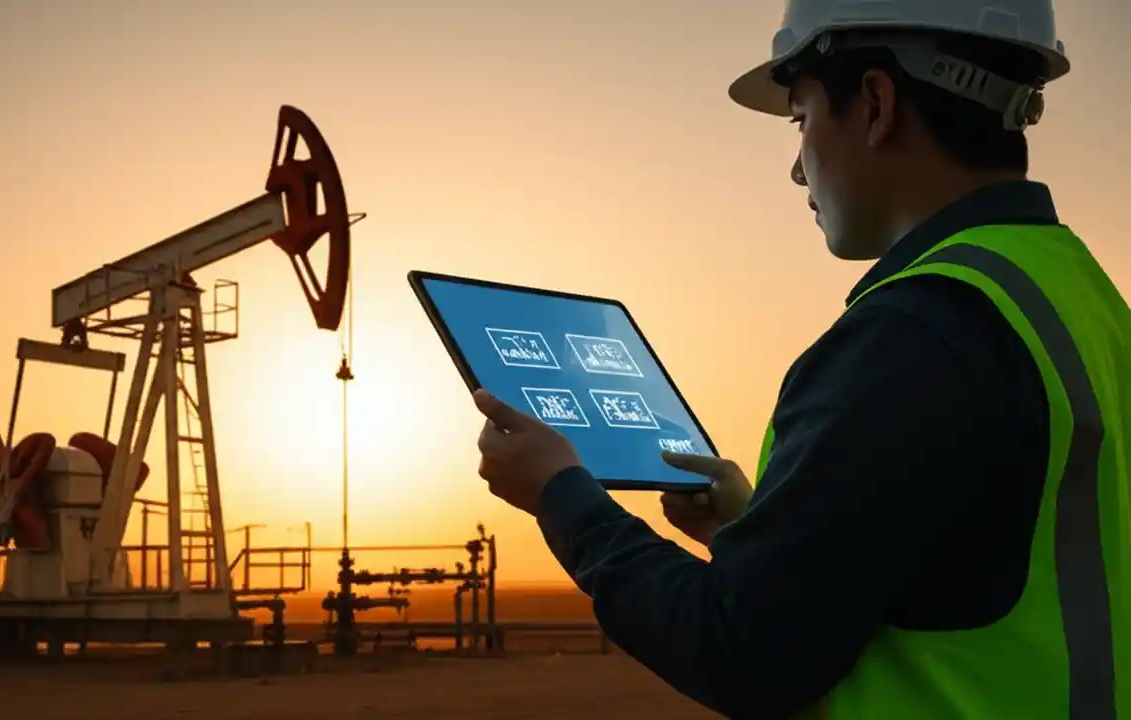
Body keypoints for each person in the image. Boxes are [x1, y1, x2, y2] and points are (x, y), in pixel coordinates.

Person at [470, 1, 1131, 718]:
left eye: (801, 119)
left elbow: (740, 649)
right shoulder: (1078, 298)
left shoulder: (912, 334)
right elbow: (985, 557)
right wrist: (760, 531)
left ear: (876, 104)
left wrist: (564, 498)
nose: (796, 169)